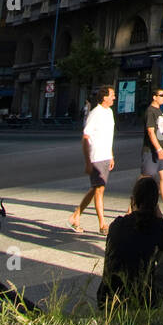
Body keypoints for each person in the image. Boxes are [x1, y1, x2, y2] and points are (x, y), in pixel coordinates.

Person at [97, 176, 163, 308]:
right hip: (141, 300)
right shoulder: (157, 225)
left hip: (107, 299)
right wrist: (158, 213)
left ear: (133, 200)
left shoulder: (117, 224)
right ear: (155, 204)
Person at [70, 85, 115, 233]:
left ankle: (76, 214)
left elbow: (108, 136)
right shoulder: (95, 113)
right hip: (96, 156)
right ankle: (102, 224)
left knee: (96, 188)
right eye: (112, 95)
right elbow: (86, 137)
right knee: (99, 189)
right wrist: (88, 161)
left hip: (105, 156)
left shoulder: (109, 112)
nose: (114, 97)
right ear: (104, 97)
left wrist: (111, 154)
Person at [141, 86, 163, 217]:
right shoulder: (150, 111)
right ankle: (133, 206)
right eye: (161, 95)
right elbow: (150, 131)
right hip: (152, 151)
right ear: (154, 97)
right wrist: (158, 148)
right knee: (146, 181)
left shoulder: (160, 111)